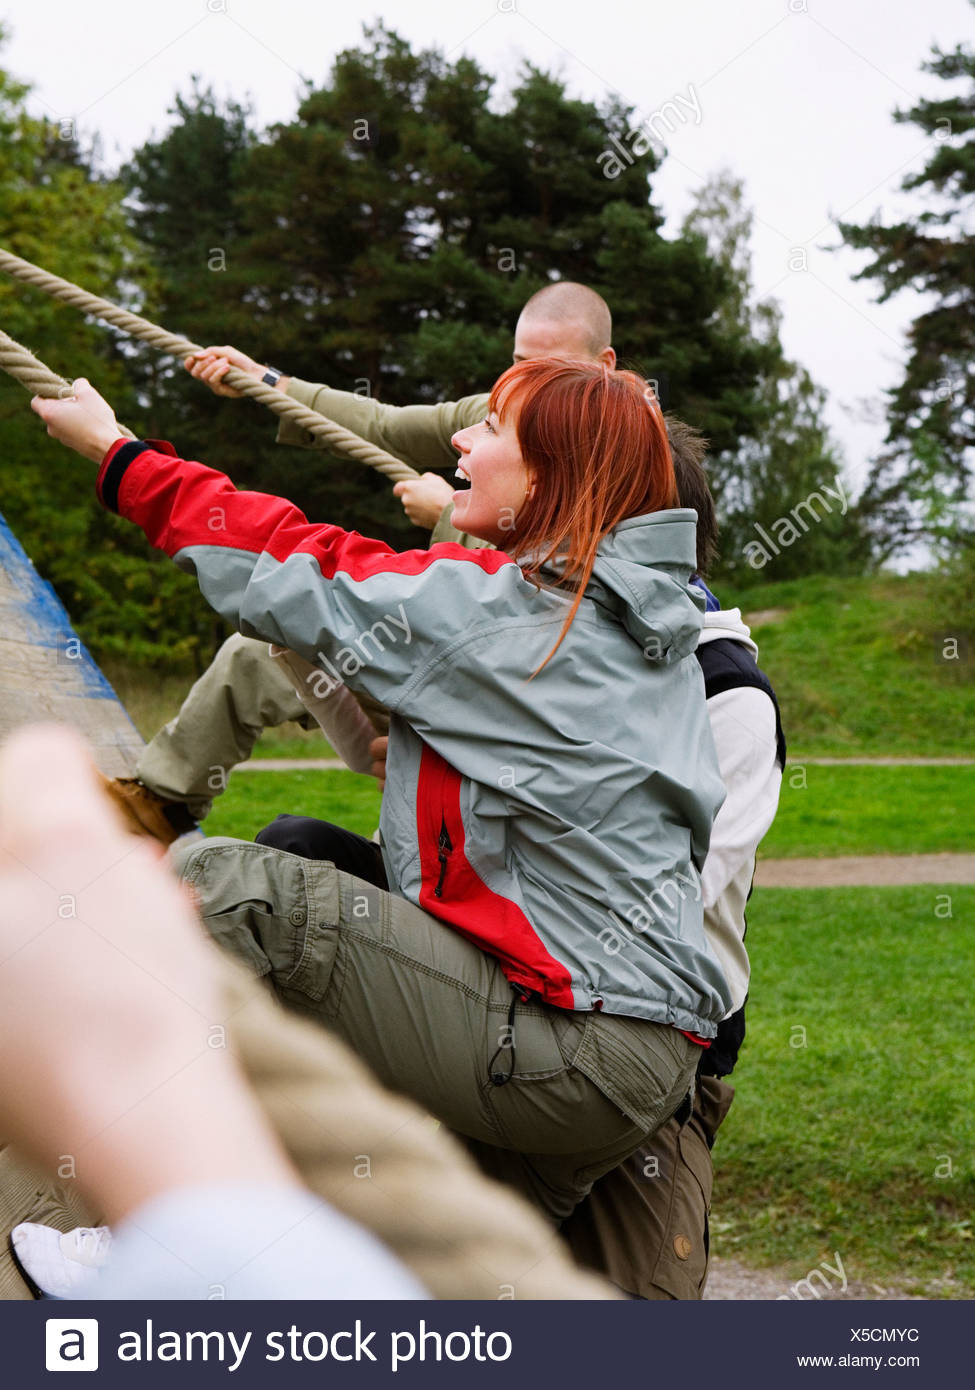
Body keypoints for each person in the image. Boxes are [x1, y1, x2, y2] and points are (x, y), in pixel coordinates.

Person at [32, 356, 730, 1225]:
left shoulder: (512, 617)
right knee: (412, 1268)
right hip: (629, 1059)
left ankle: (129, 1218)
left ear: (547, 477)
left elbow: (293, 559)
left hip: (570, 1047)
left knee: (231, 890)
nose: (461, 441)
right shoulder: (634, 624)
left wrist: (118, 453)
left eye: (491, 429)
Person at [0, 724, 615, 1301]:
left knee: (224, 881)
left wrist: (172, 1171)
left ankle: (162, 1232)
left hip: (597, 1034)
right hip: (572, 1009)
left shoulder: (651, 679)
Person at [104, 283, 618, 841]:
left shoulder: (622, 458)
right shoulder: (497, 411)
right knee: (257, 655)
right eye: (520, 363)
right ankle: (159, 806)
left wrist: (450, 513)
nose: (528, 383)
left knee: (405, 850)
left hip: (504, 710)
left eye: (553, 366)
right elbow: (385, 426)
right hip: (435, 670)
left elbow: (522, 598)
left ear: (604, 364)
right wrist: (268, 382)